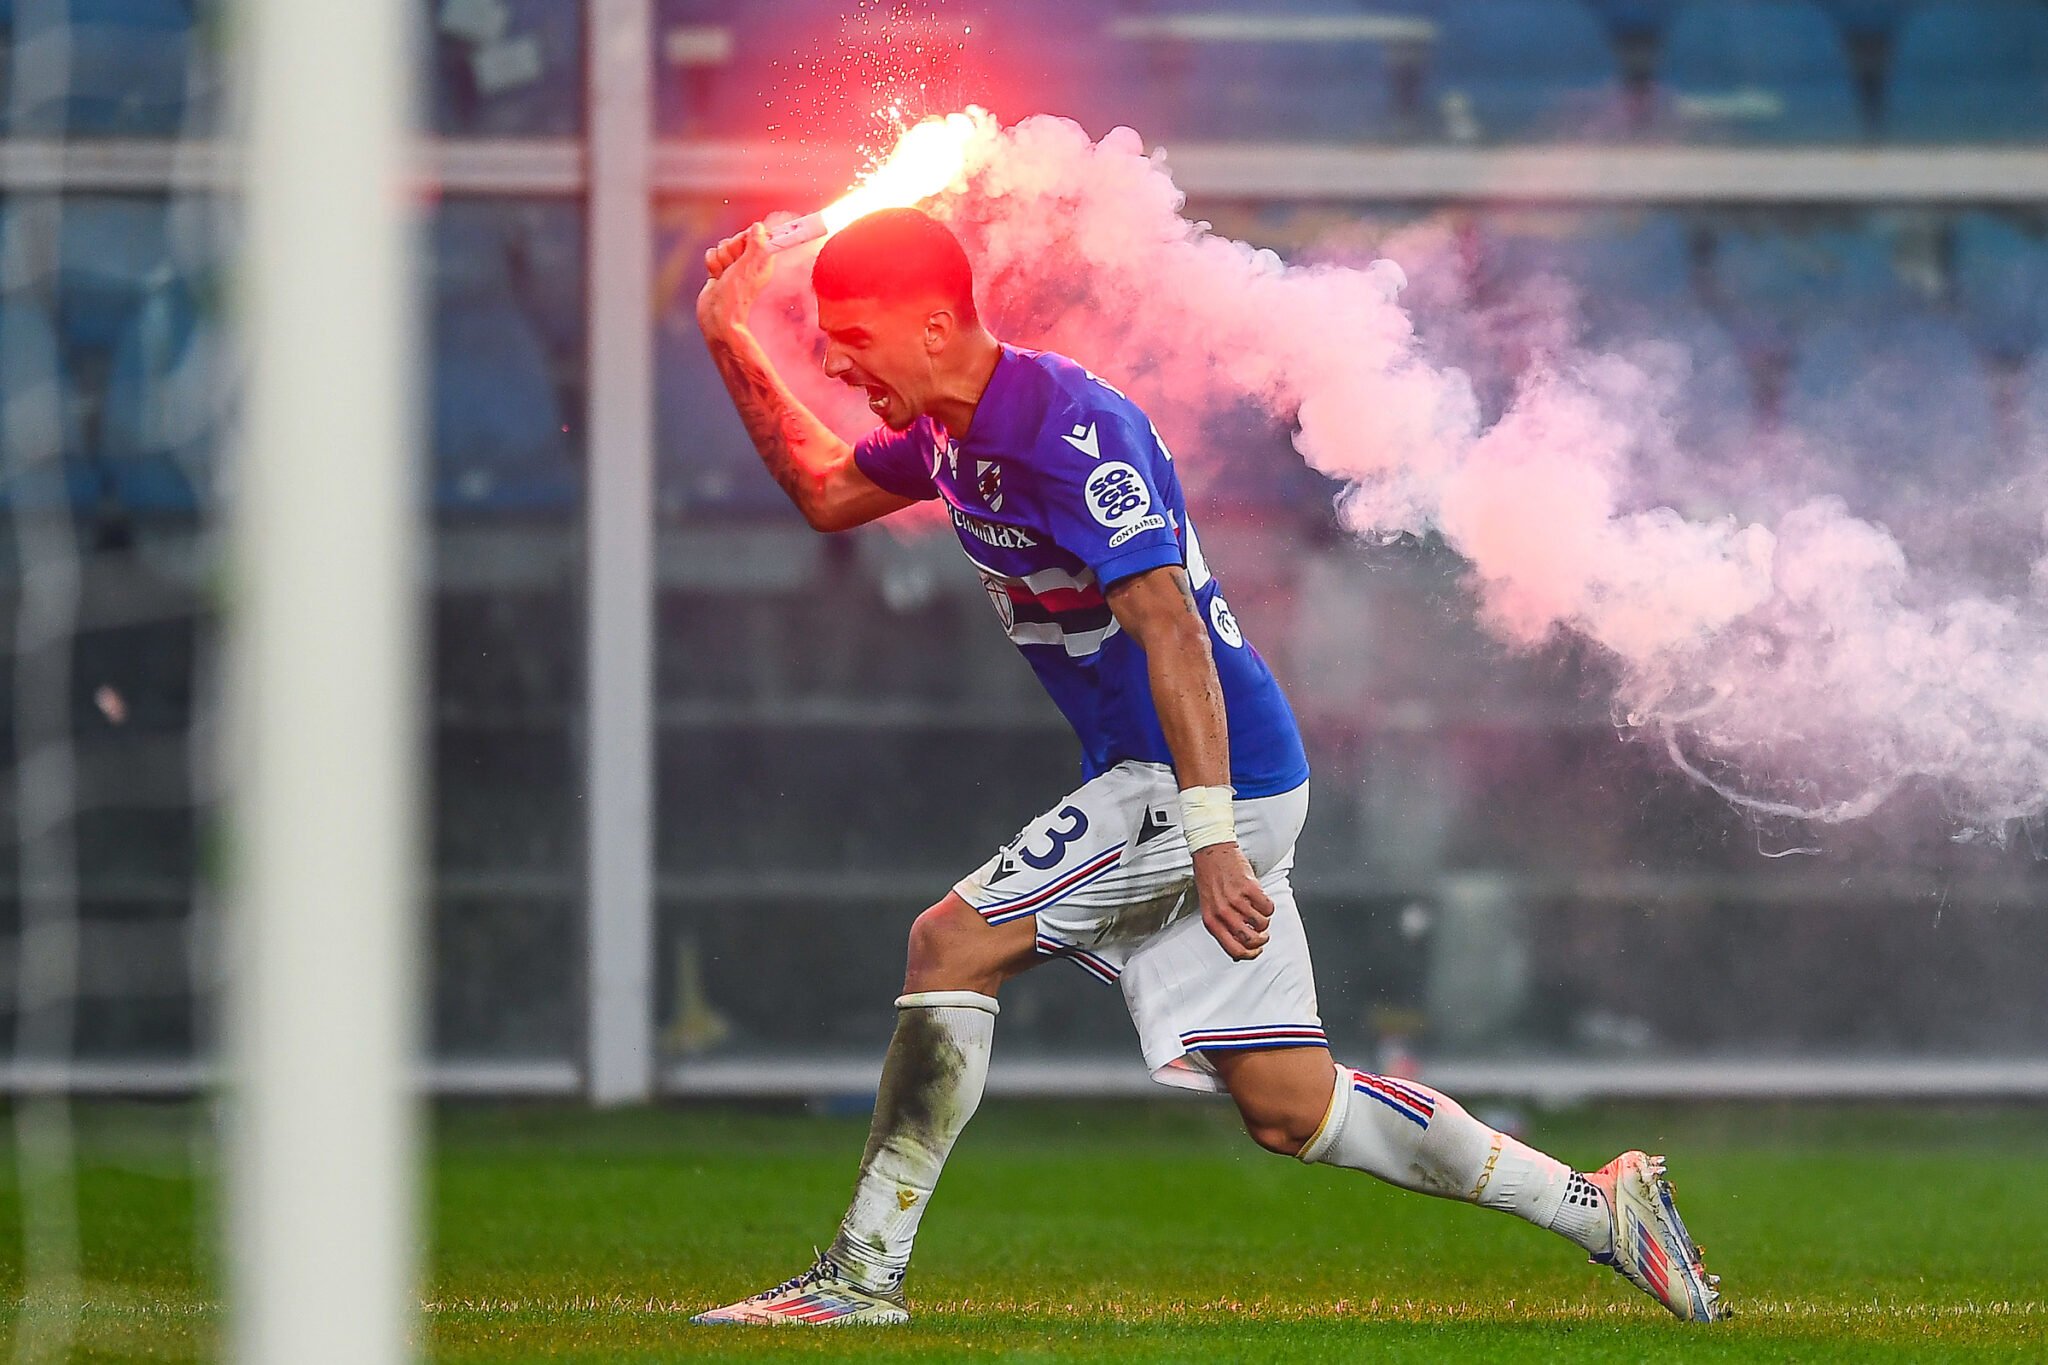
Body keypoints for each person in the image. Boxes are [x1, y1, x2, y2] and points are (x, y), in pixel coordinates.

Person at [688, 207, 1722, 1327]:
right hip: (1198, 783)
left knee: (949, 943)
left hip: (1191, 781)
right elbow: (829, 491)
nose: (835, 359)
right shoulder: (948, 433)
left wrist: (1212, 840)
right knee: (1290, 1107)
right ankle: (1598, 1207)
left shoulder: (1065, 433)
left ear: (936, 325)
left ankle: (856, 1280)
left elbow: (1172, 632)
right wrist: (726, 334)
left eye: (853, 334)